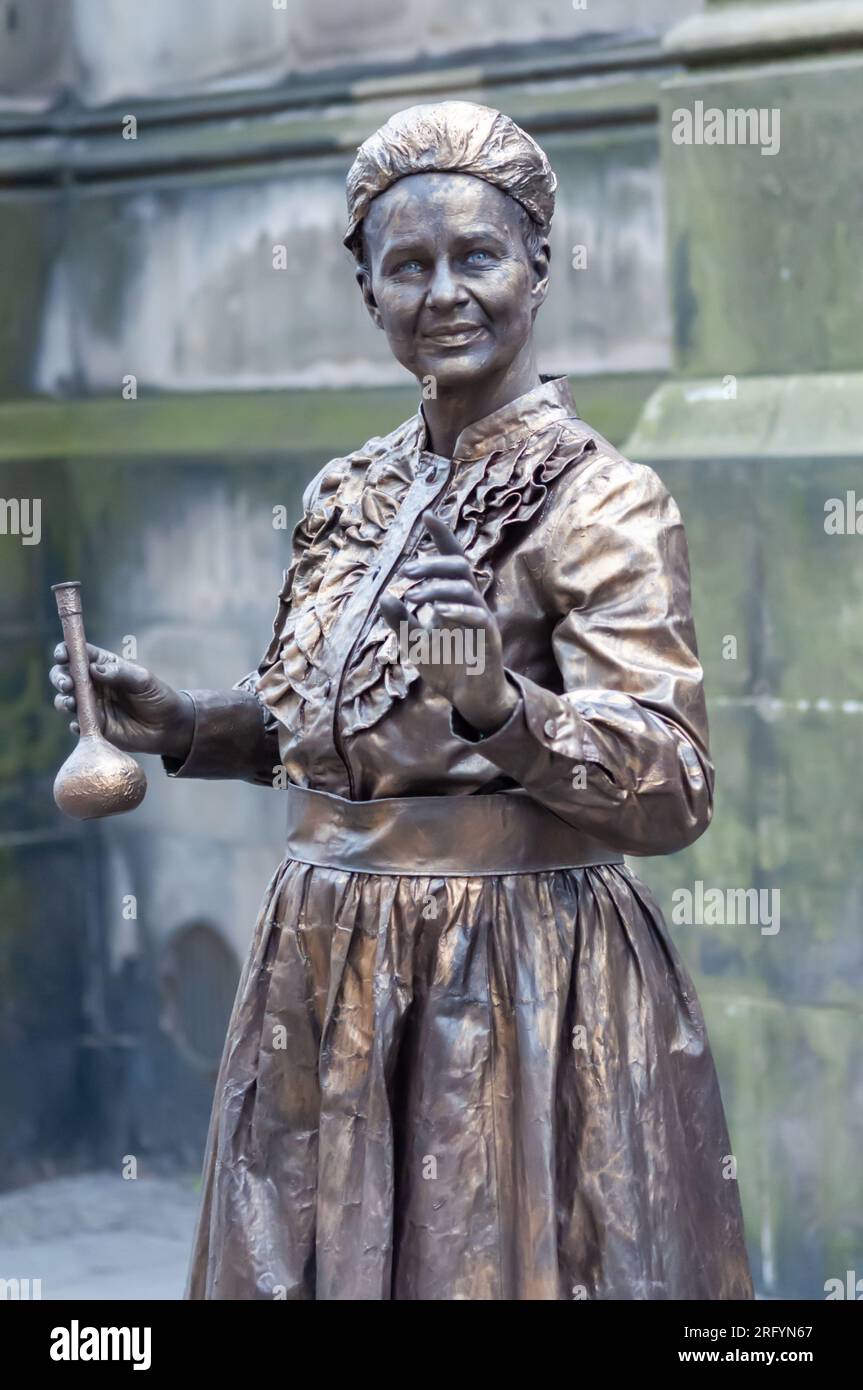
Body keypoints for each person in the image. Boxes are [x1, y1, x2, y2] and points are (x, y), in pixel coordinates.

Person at [49, 101, 753, 1301]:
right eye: (406, 265)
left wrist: (498, 703)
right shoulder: (347, 489)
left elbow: (670, 780)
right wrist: (181, 722)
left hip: (517, 975)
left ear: (538, 263)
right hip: (324, 961)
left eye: (476, 256)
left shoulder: (603, 503)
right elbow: (318, 723)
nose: (444, 293)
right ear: (365, 290)